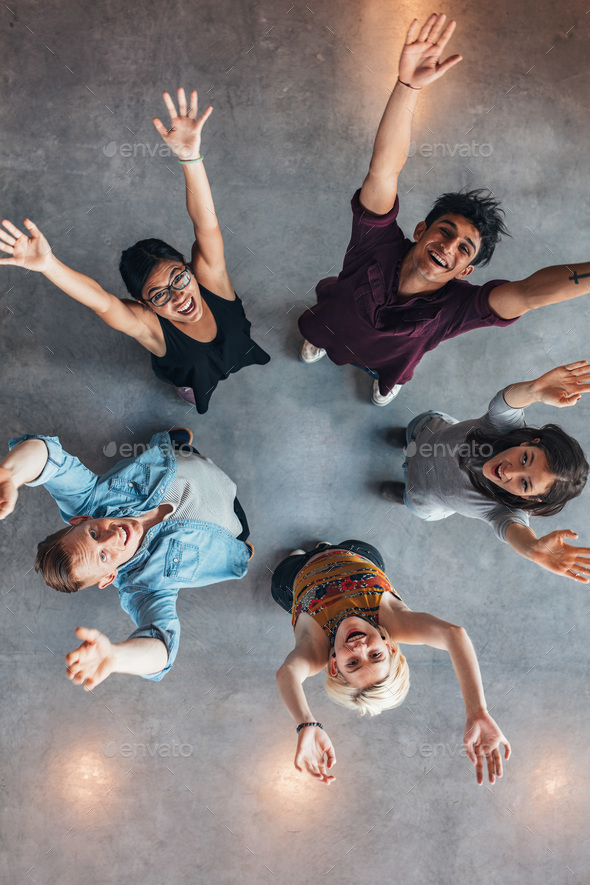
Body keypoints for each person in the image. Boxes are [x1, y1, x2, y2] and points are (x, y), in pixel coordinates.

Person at [298, 13, 590, 405]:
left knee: (391, 378)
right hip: (333, 325)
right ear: (421, 230)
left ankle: (388, 384)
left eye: (464, 249)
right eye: (446, 230)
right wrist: (406, 86)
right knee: (320, 333)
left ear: (466, 271)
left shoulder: (458, 307)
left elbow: (529, 294)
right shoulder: (377, 243)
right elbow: (383, 171)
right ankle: (319, 345)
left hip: (392, 361)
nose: (449, 246)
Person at [0, 88, 270, 413]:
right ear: (146, 306)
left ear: (188, 267)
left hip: (235, 349)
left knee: (232, 354)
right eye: (159, 295)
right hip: (189, 373)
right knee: (191, 380)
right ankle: (190, 388)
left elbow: (206, 225)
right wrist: (49, 265)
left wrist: (190, 157)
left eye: (179, 279)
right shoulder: (150, 327)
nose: (179, 297)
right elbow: (103, 302)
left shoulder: (211, 279)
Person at [0, 428, 253, 687]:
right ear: (110, 576)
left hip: (182, 461)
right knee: (242, 537)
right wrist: (117, 656)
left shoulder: (88, 499)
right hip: (228, 527)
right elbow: (162, 647)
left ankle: (178, 446)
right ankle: (241, 548)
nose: (113, 537)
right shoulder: (143, 587)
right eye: (103, 557)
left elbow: (46, 455)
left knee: (180, 451)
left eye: (94, 533)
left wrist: (10, 473)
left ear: (83, 519)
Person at [273, 541, 510, 786]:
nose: (360, 648)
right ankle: (325, 546)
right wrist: (477, 711)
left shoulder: (316, 647)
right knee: (349, 547)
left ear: (334, 665)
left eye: (352, 663)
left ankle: (302, 555)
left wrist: (306, 723)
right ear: (389, 645)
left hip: (296, 575)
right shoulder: (393, 620)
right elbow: (454, 635)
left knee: (286, 573)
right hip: (354, 553)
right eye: (375, 656)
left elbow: (288, 673)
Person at [381, 361, 590, 581]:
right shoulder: (501, 429)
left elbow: (515, 530)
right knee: (410, 436)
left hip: (421, 496)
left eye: (525, 484)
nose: (510, 472)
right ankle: (407, 439)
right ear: (531, 442)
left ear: (533, 499)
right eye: (525, 458)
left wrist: (532, 549)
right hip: (426, 431)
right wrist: (534, 390)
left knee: (408, 497)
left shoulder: (505, 510)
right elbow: (507, 404)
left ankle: (403, 492)